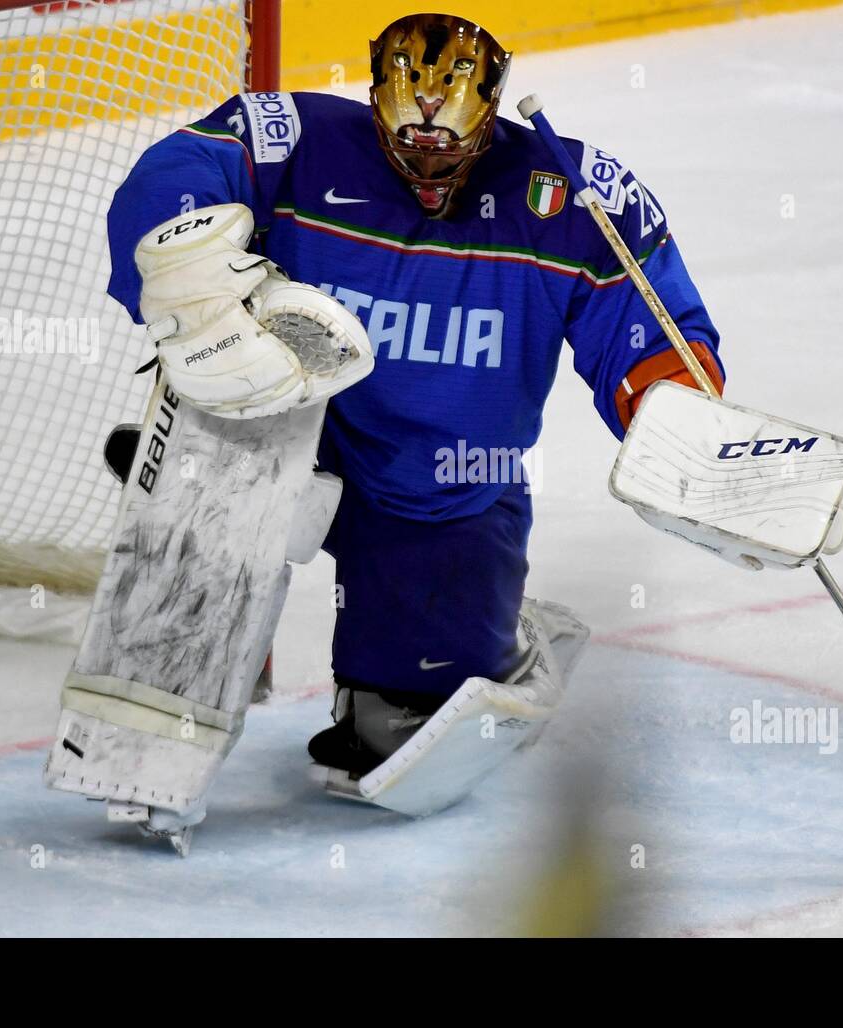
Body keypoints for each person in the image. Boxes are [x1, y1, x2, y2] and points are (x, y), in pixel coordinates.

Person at [101, 12, 724, 802]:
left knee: (392, 735)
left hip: (447, 488)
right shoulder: (295, 139)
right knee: (204, 473)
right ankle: (146, 720)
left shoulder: (570, 192)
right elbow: (176, 167)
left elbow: (652, 321)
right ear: (372, 98)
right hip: (289, 439)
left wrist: (674, 408)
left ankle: (477, 643)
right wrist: (186, 267)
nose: (429, 173)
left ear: (491, 114)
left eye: (451, 152)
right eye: (407, 149)